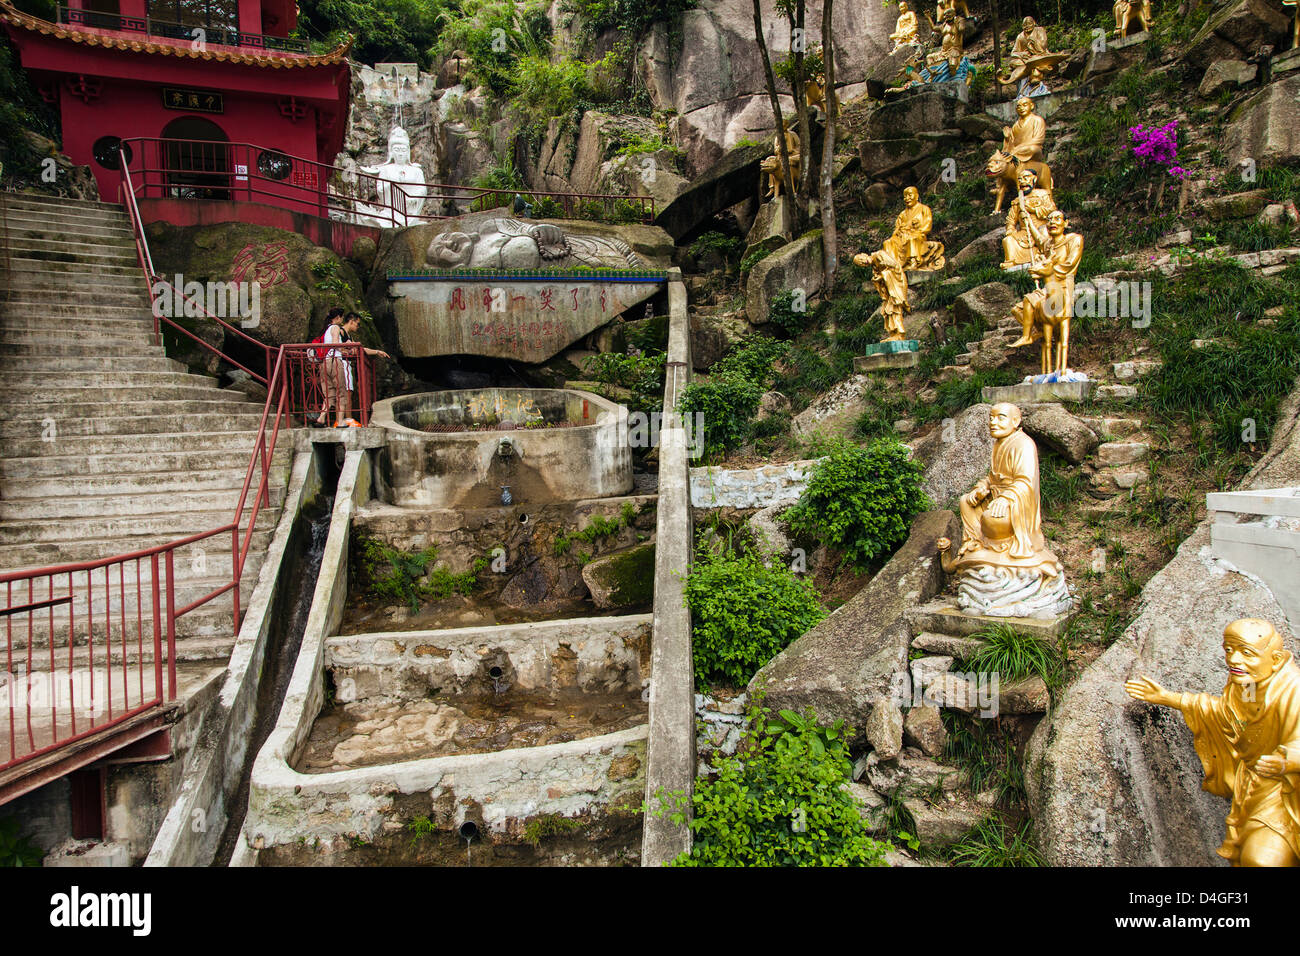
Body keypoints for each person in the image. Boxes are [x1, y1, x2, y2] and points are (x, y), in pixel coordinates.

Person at [330, 312, 391, 428]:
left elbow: (361, 349)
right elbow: (336, 347)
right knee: (347, 392)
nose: (358, 327)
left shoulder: (349, 335)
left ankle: (346, 419)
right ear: (351, 321)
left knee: (348, 392)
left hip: (346, 364)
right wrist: (348, 350)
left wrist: (377, 352)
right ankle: (347, 420)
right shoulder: (341, 332)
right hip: (342, 363)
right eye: (357, 324)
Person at [315, 308, 346, 426]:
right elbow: (335, 344)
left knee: (329, 393)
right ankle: (340, 421)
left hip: (324, 363)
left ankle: (321, 418)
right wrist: (344, 350)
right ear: (338, 317)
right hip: (334, 362)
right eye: (342, 317)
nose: (342, 320)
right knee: (341, 391)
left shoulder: (325, 329)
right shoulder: (335, 327)